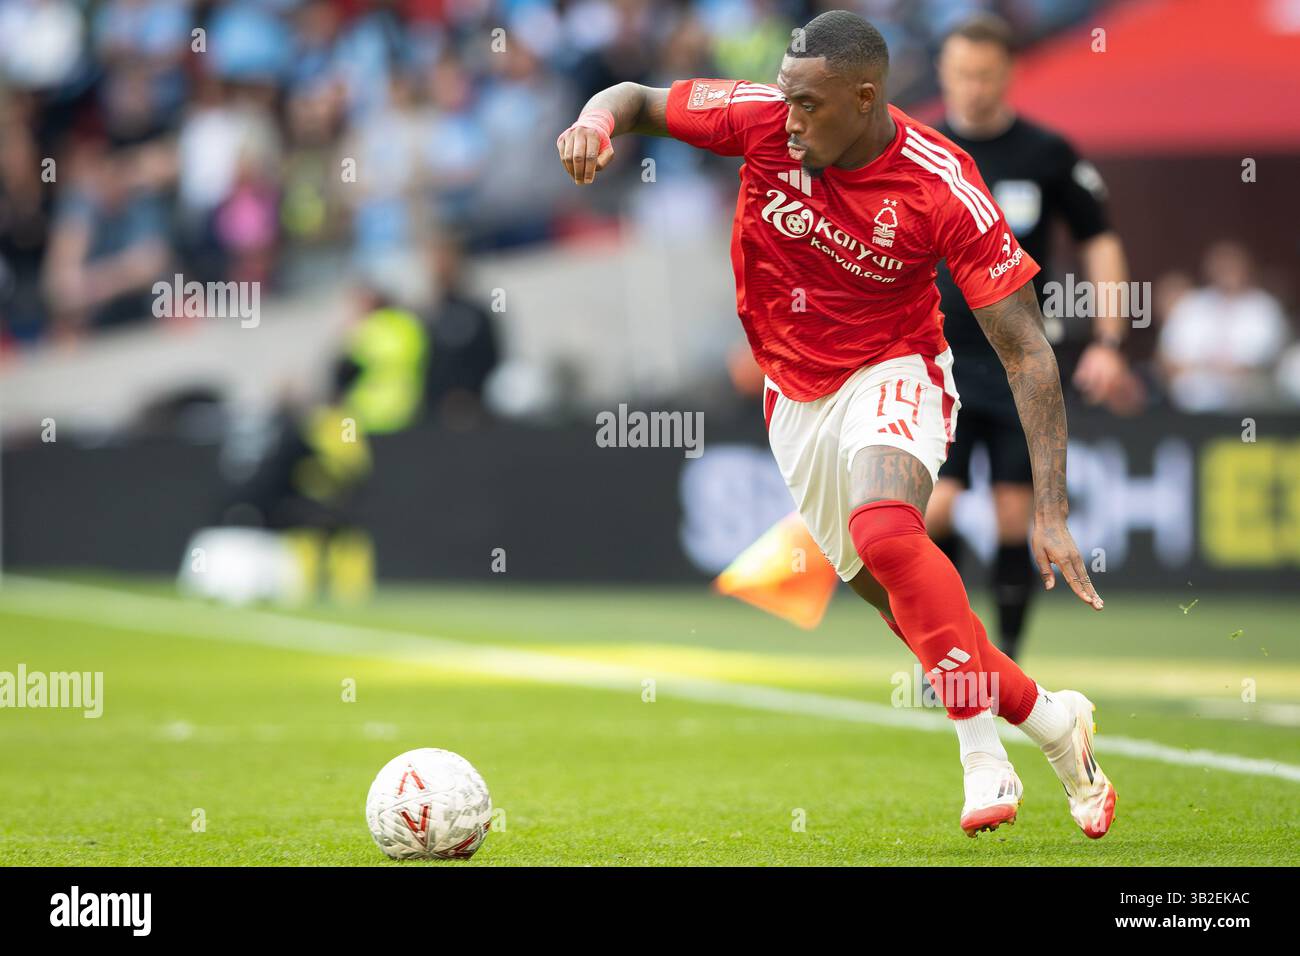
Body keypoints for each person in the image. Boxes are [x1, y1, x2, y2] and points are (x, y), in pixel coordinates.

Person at [556, 10, 1116, 839]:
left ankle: (979, 752)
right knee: (910, 613)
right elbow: (635, 96)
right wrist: (592, 121)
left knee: (889, 532)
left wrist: (1051, 507)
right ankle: (1055, 727)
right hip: (795, 399)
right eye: (785, 98)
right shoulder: (761, 120)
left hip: (897, 368)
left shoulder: (940, 182)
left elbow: (1028, 351)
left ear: (865, 97)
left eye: (808, 105)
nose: (789, 119)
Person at [925, 13, 1135, 661]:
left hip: (1020, 360)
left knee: (1017, 515)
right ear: (943, 73)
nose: (972, 87)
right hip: (938, 359)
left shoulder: (1047, 154)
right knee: (932, 512)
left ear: (1009, 74)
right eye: (961, 74)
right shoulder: (923, 150)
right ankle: (958, 645)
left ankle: (1003, 657)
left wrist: (1109, 339)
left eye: (985, 75)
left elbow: (1099, 239)